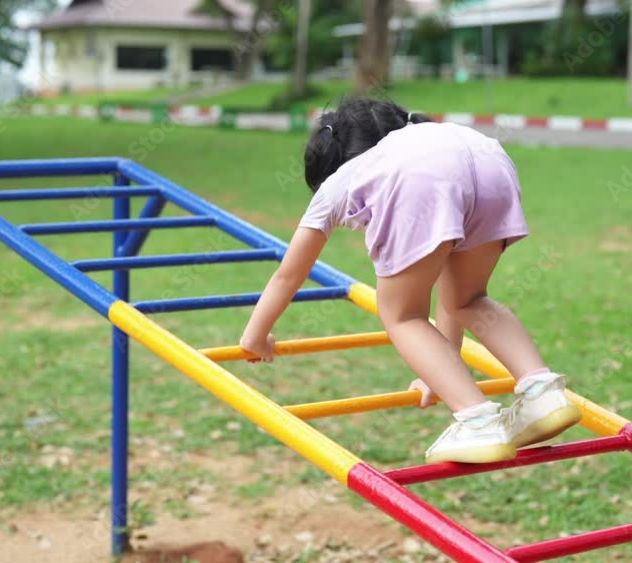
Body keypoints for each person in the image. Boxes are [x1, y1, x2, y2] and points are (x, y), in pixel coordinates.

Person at [240, 98, 581, 464]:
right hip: (490, 161)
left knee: (402, 315)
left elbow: (289, 273)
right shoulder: (430, 137)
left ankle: (478, 420)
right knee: (467, 300)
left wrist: (255, 337)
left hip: (425, 179)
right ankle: (542, 391)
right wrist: (439, 377)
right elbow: (450, 308)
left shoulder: (347, 177)